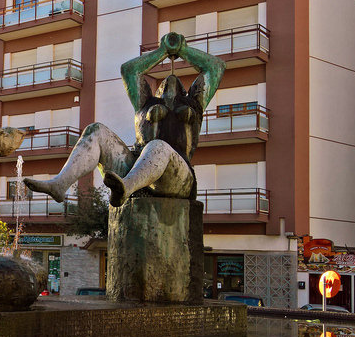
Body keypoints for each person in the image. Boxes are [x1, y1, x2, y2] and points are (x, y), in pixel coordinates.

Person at [24, 32, 224, 207]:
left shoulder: (194, 104)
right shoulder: (145, 103)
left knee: (158, 146)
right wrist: (163, 51)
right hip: (136, 169)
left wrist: (184, 50)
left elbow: (215, 67)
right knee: (96, 130)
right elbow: (129, 70)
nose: (170, 82)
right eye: (163, 86)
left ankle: (125, 188)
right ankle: (60, 183)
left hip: (178, 178)